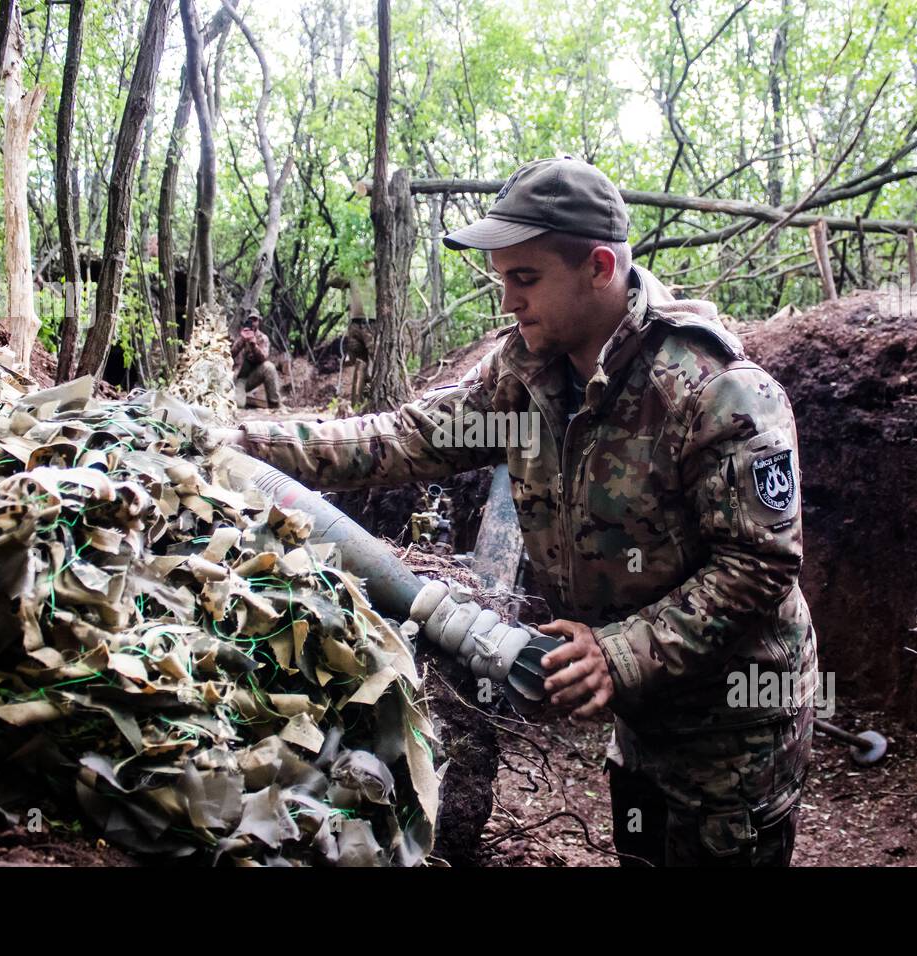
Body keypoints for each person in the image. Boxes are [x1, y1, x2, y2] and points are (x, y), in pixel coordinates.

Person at [210, 157, 817, 867]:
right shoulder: (524, 374)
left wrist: (618, 653)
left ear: (598, 267)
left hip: (731, 721)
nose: (507, 301)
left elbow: (761, 562)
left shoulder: (718, 391)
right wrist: (229, 440)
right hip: (642, 717)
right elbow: (400, 438)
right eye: (501, 278)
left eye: (523, 278)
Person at [231, 313, 282, 410]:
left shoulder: (263, 338)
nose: (252, 322)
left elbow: (264, 357)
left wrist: (254, 345)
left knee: (269, 367)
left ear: (259, 322)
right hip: (241, 378)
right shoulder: (241, 336)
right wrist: (242, 340)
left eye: (255, 320)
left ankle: (275, 406)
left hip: (255, 375)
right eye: (250, 320)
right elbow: (230, 354)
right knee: (239, 404)